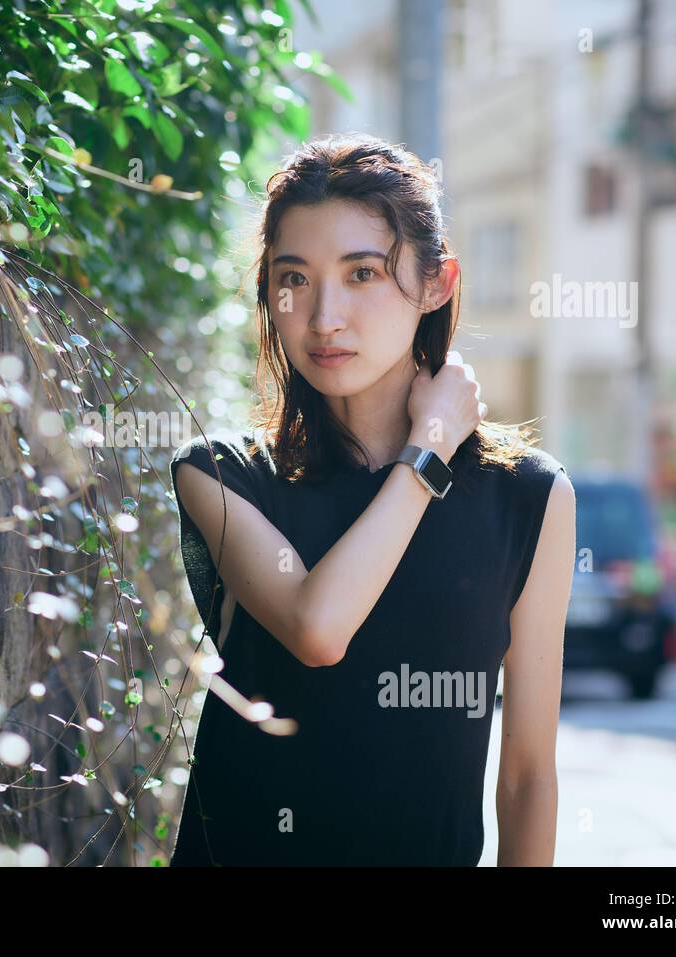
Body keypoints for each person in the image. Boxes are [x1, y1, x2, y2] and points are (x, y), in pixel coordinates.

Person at [168, 133, 575, 866]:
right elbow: (318, 628)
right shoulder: (223, 473)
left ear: (435, 283)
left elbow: (527, 776)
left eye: (362, 273)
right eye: (294, 278)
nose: (324, 316)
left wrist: (434, 447)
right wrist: (429, 454)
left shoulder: (529, 496)